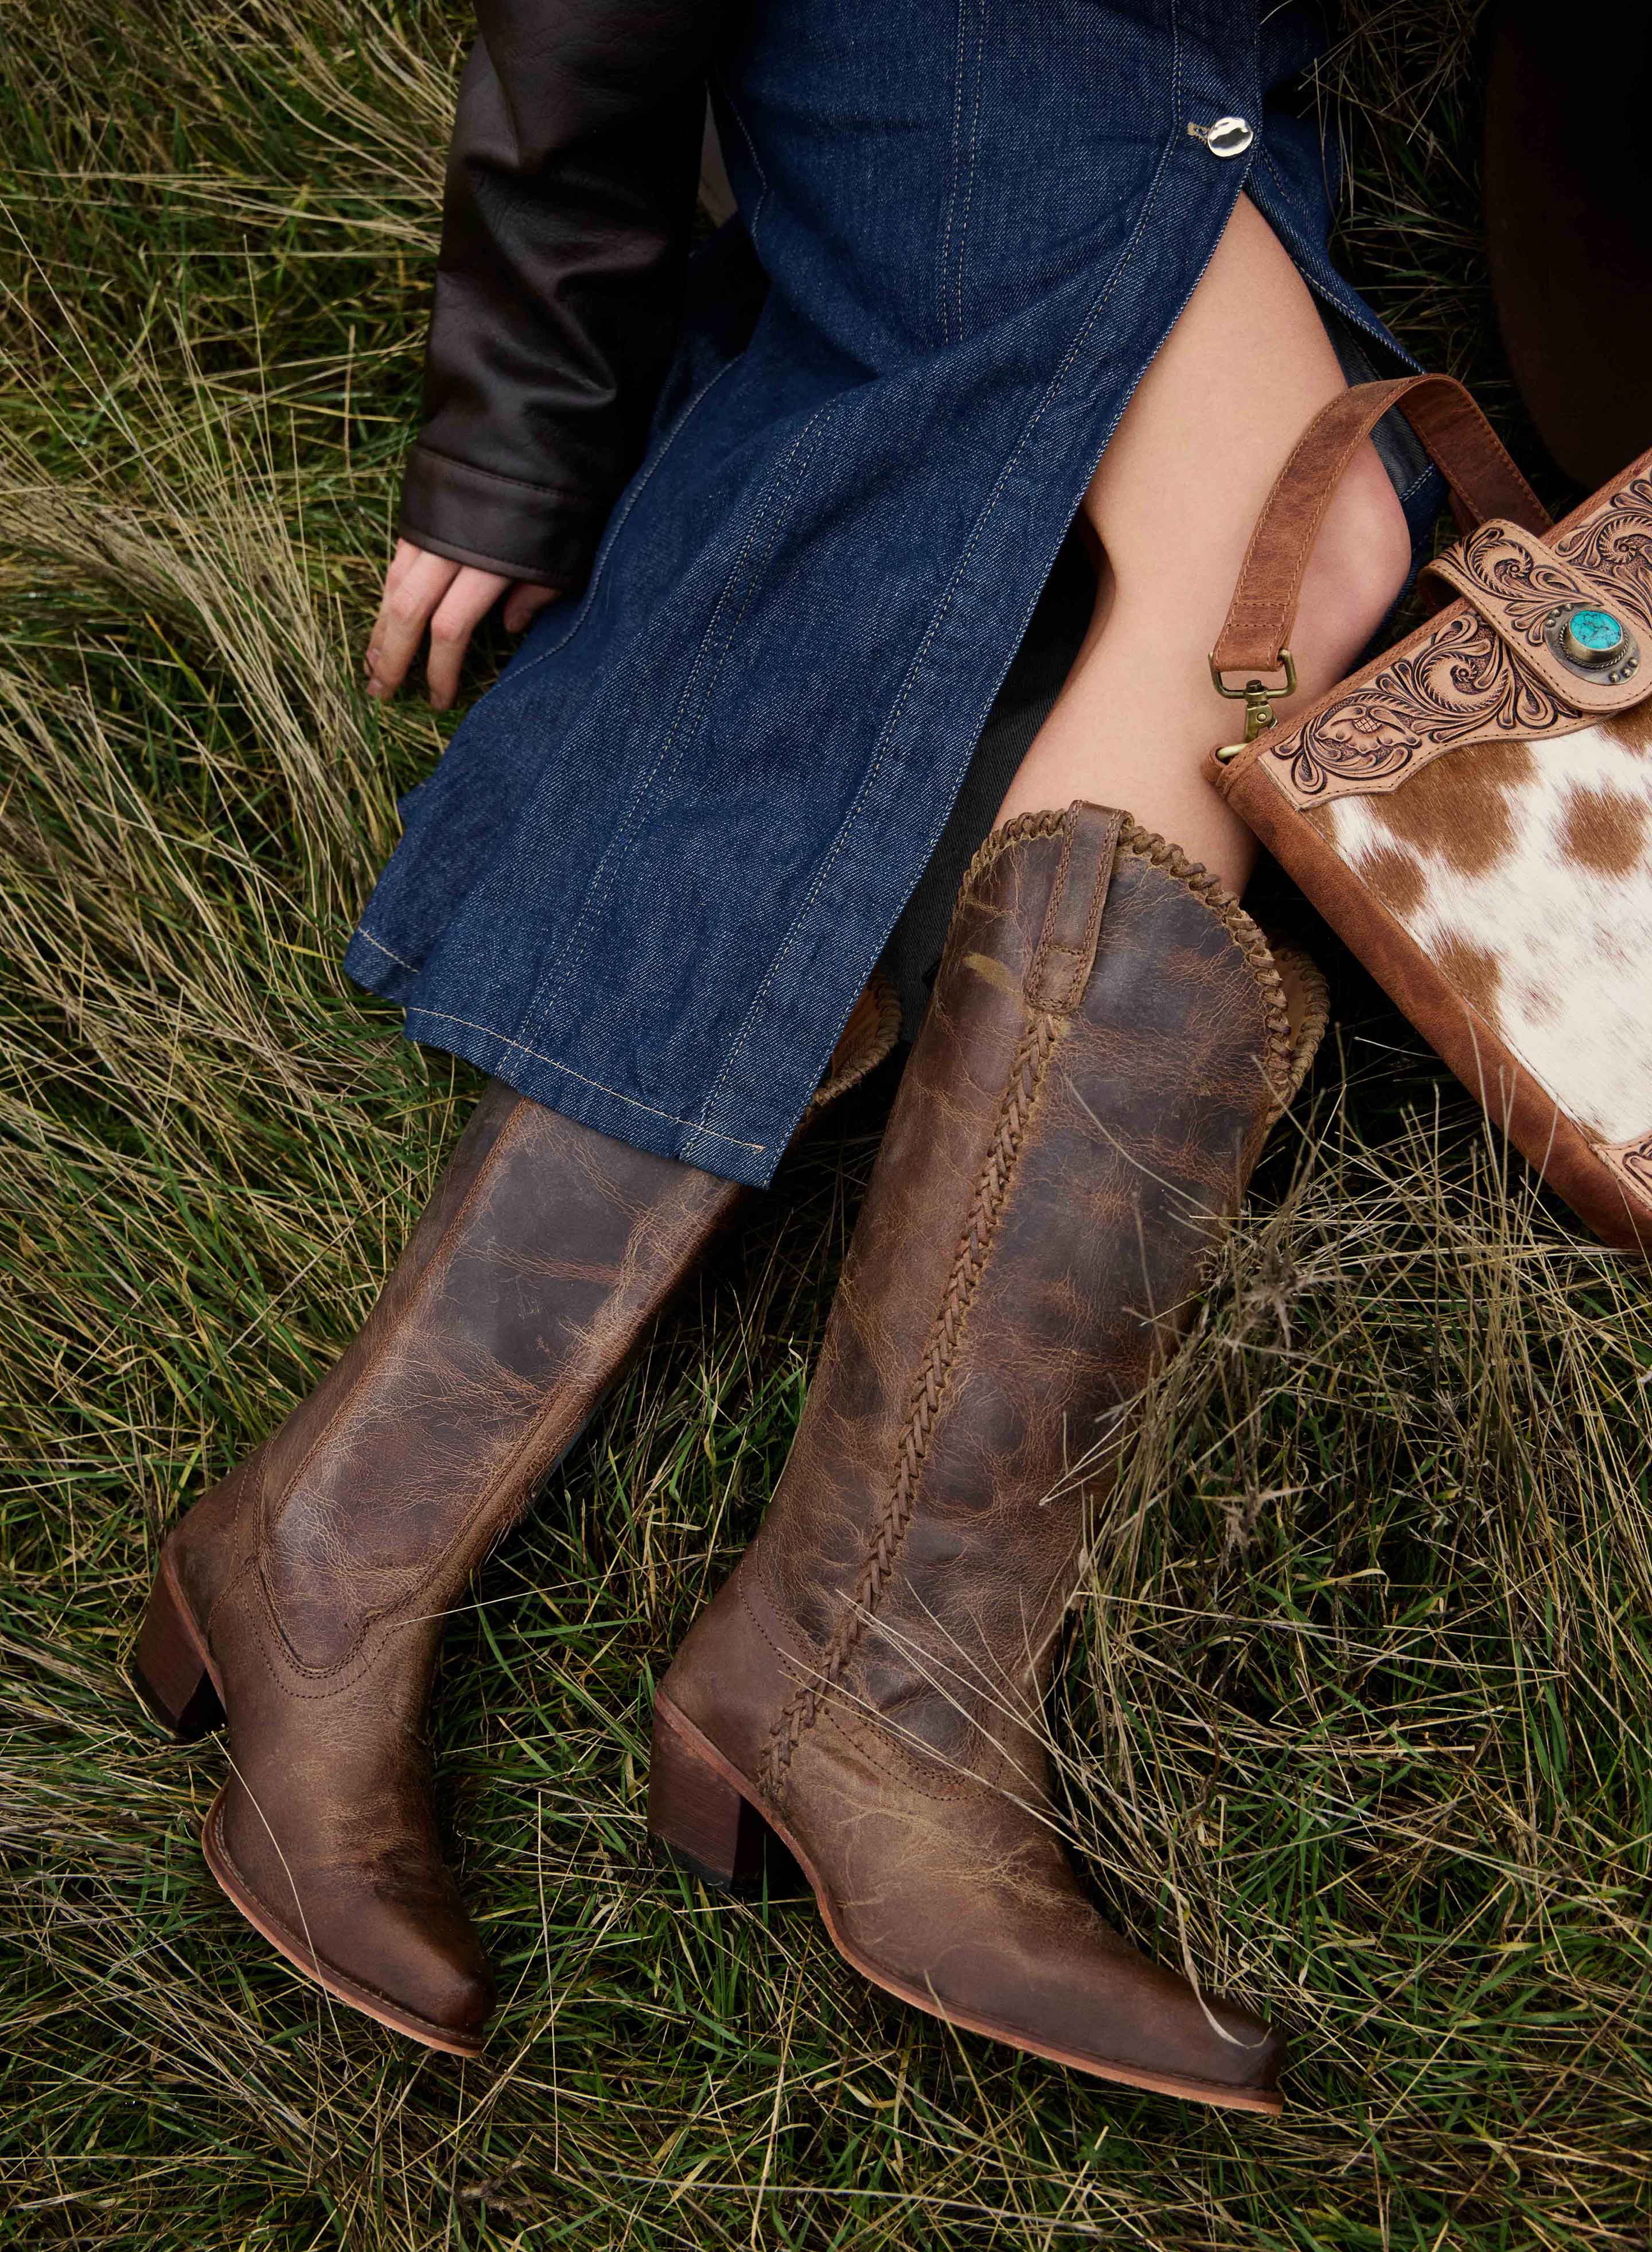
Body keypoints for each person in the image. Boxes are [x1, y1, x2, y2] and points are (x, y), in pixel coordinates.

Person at [135, 0, 1429, 2109]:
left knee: (934, 610)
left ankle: (332, 1550)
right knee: (1293, 542)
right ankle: (865, 1671)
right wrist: (516, 415)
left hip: (1212, 83)